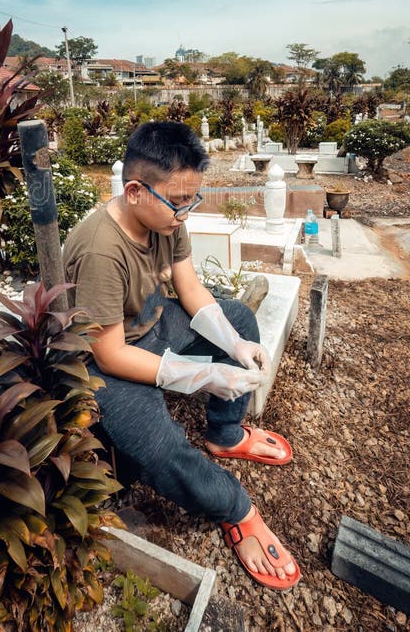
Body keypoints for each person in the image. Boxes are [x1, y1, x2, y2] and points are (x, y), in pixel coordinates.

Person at [63, 121, 300, 590]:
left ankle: (225, 434)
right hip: (106, 358)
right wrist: (202, 374)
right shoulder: (99, 249)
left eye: (194, 199)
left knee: (239, 320)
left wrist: (232, 346)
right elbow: (109, 355)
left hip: (152, 323)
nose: (186, 212)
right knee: (161, 448)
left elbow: (189, 287)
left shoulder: (168, 219)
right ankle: (236, 509)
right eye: (179, 201)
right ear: (134, 191)